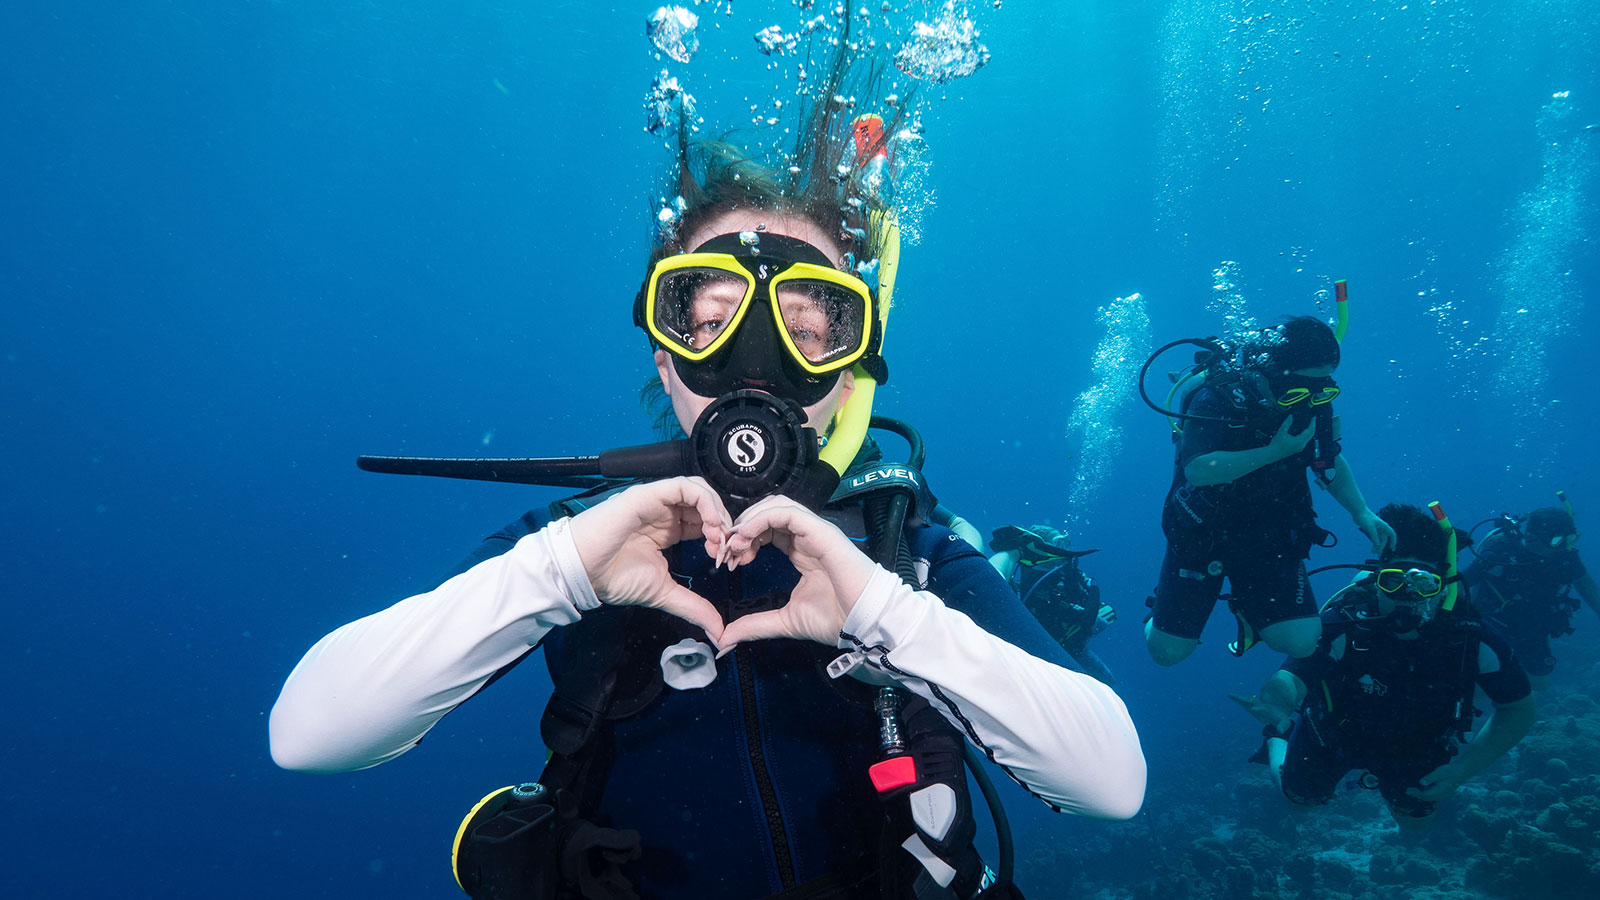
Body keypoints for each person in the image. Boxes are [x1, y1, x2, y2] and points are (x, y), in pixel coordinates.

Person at [269, 27, 1144, 900]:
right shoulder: (577, 542)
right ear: (665, 359)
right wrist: (561, 576)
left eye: (808, 330)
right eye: (713, 321)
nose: (755, 364)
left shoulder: (903, 555)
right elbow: (307, 734)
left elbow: (1113, 784)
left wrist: (885, 614)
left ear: (850, 376)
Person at [1231, 503, 1535, 832]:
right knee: (1299, 803)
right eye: (1393, 581)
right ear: (1377, 582)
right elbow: (1290, 678)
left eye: (1423, 583)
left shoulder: (1470, 640)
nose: (1407, 595)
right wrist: (1277, 704)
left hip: (1416, 745)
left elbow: (1518, 710)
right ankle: (1279, 737)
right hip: (1333, 735)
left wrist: (1461, 772)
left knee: (1417, 825)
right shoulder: (1344, 624)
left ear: (1442, 588)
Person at [1145, 316, 1397, 666]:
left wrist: (1361, 511)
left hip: (1270, 536)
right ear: (1271, 373)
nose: (1310, 399)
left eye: (1323, 387)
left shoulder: (1314, 402)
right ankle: (1161, 608)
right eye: (1300, 388)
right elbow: (1198, 470)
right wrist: (1275, 452)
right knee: (1167, 654)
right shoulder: (1216, 395)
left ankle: (1251, 610)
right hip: (1202, 534)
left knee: (1302, 643)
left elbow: (1327, 460)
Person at [1463, 503, 1598, 690]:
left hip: (1533, 626)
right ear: (1531, 537)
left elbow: (1588, 588)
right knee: (1481, 683)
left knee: (1540, 683)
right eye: (1557, 541)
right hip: (1492, 624)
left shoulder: (1564, 556)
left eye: (1570, 539)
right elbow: (1460, 583)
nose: (1563, 547)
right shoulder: (1499, 553)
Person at [988, 524, 1117, 685]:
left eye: (1065, 543)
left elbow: (1084, 612)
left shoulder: (1064, 574)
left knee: (1107, 680)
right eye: (1058, 543)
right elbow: (1088, 618)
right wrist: (1093, 586)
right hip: (1054, 655)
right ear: (1042, 548)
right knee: (1106, 682)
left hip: (1070, 646)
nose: (1064, 549)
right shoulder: (1038, 586)